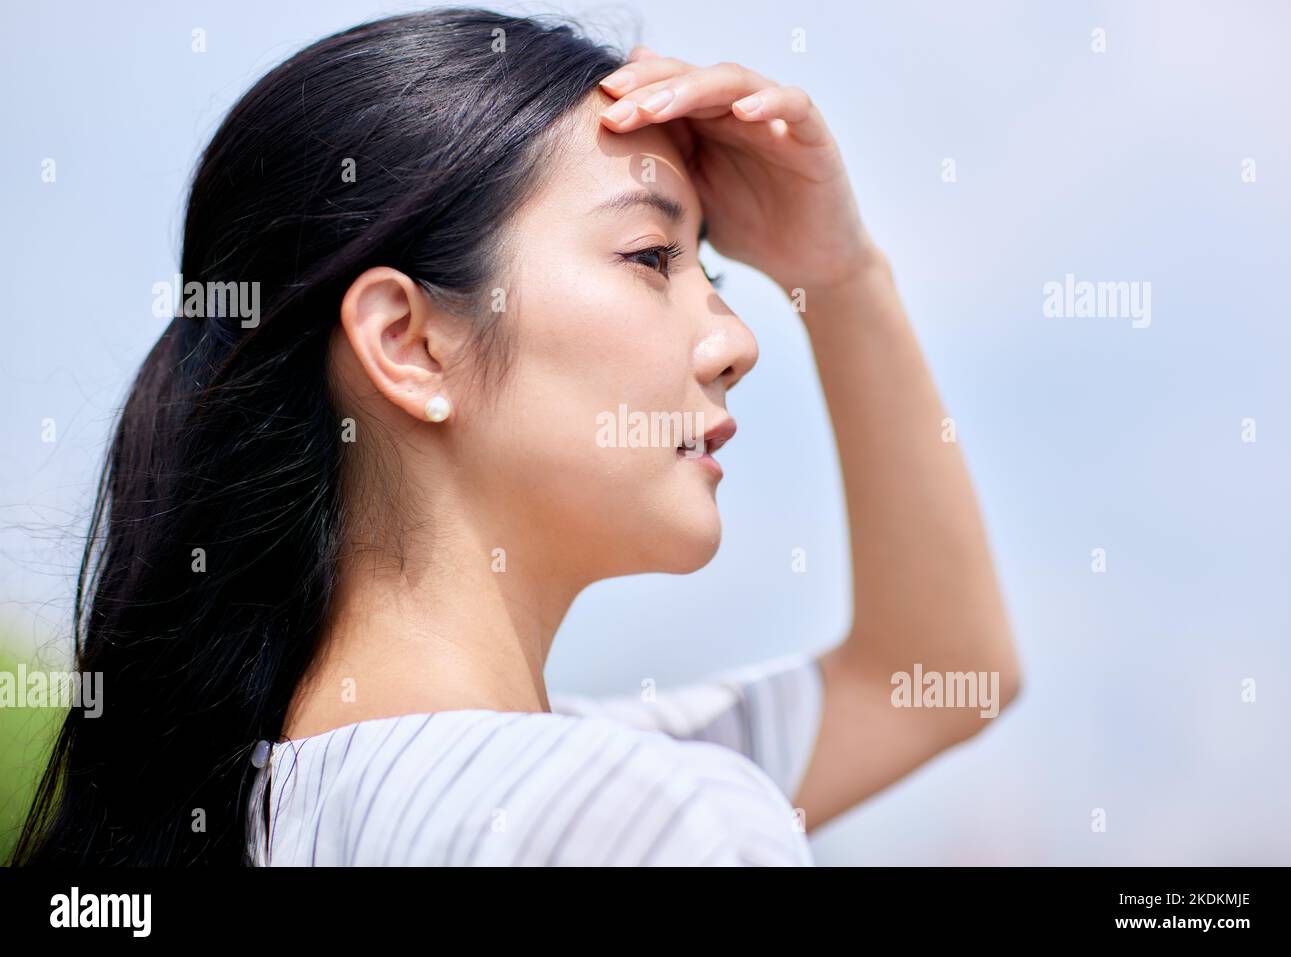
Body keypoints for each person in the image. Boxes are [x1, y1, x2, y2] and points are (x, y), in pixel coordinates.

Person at [13, 7, 1020, 867]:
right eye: (650, 254)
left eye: (710, 273)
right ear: (409, 343)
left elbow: (932, 676)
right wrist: (841, 275)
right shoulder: (642, 821)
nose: (734, 340)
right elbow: (942, 676)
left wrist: (837, 271)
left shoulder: (252, 810)